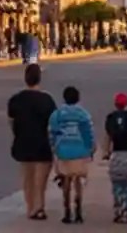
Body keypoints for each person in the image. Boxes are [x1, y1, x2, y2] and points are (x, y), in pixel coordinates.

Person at [8, 63, 57, 221]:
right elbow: (53, 124)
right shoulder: (47, 100)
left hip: (23, 142)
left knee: (27, 178)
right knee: (40, 180)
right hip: (42, 144)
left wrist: (18, 133)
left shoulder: (15, 100)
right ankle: (39, 207)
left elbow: (11, 122)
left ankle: (30, 208)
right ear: (39, 79)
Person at [49, 86, 96, 224]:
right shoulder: (83, 114)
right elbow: (88, 133)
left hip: (64, 151)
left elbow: (52, 132)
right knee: (78, 181)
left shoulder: (57, 114)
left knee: (66, 181)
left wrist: (54, 147)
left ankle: (67, 211)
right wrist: (91, 148)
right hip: (80, 150)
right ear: (78, 98)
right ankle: (79, 211)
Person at [103, 92, 127, 224]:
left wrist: (106, 153)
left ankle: (118, 210)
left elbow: (108, 138)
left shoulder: (111, 118)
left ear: (115, 104)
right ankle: (126, 211)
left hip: (117, 154)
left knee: (117, 185)